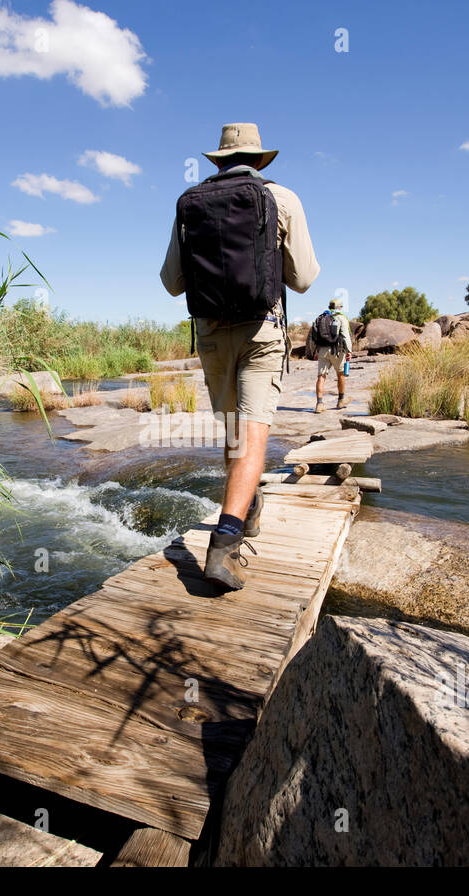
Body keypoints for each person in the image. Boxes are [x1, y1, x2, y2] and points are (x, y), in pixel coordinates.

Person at [160, 122, 320, 590]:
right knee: (252, 432)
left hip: (210, 332)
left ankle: (245, 507)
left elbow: (172, 283)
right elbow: (304, 277)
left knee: (233, 430)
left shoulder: (190, 201)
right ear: (260, 159)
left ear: (218, 161)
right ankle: (224, 545)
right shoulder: (281, 198)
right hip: (261, 329)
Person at [309, 298, 353, 412]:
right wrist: (349, 351)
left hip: (322, 350)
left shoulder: (322, 318)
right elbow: (345, 336)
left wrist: (315, 351)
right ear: (340, 307)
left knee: (321, 377)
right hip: (337, 350)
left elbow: (314, 336)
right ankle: (340, 401)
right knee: (341, 374)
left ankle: (319, 404)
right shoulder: (341, 318)